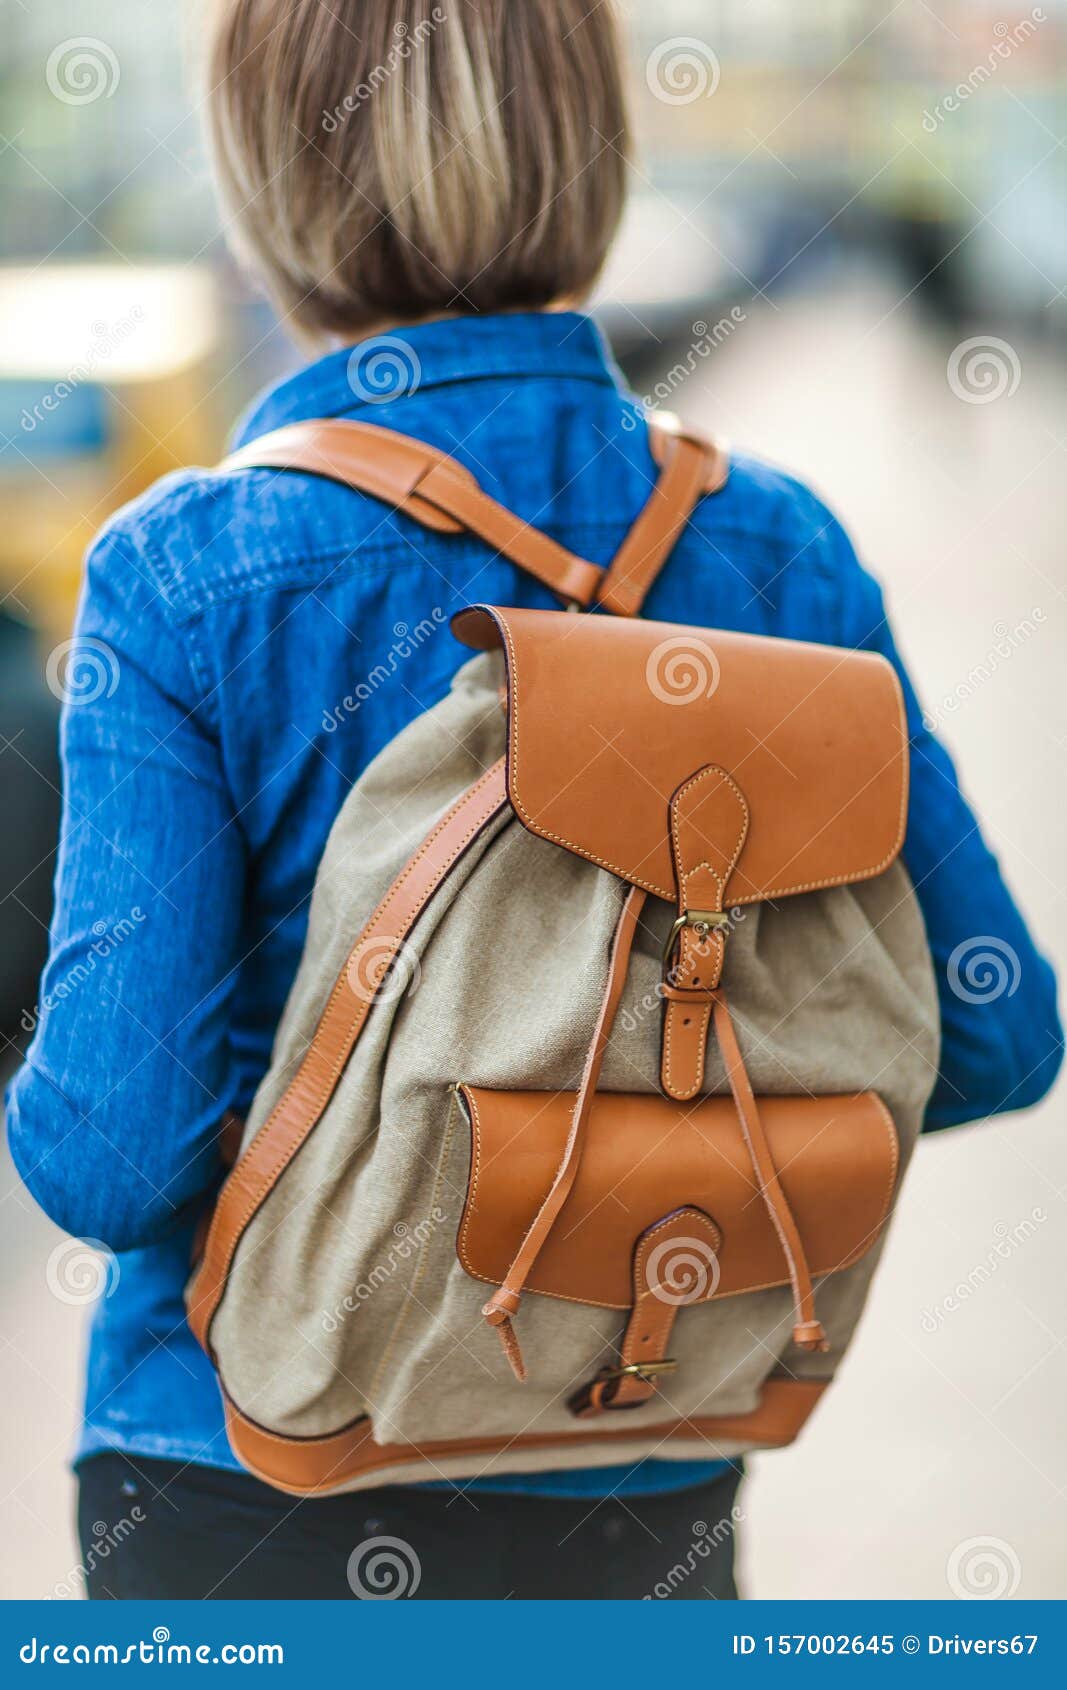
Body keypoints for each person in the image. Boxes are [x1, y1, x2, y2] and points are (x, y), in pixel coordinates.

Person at [6, 0, 1061, 1601]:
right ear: (595, 151)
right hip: (642, 1476)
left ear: (263, 171)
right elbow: (993, 1037)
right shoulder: (780, 552)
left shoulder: (180, 575)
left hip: (243, 1492)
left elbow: (112, 1158)